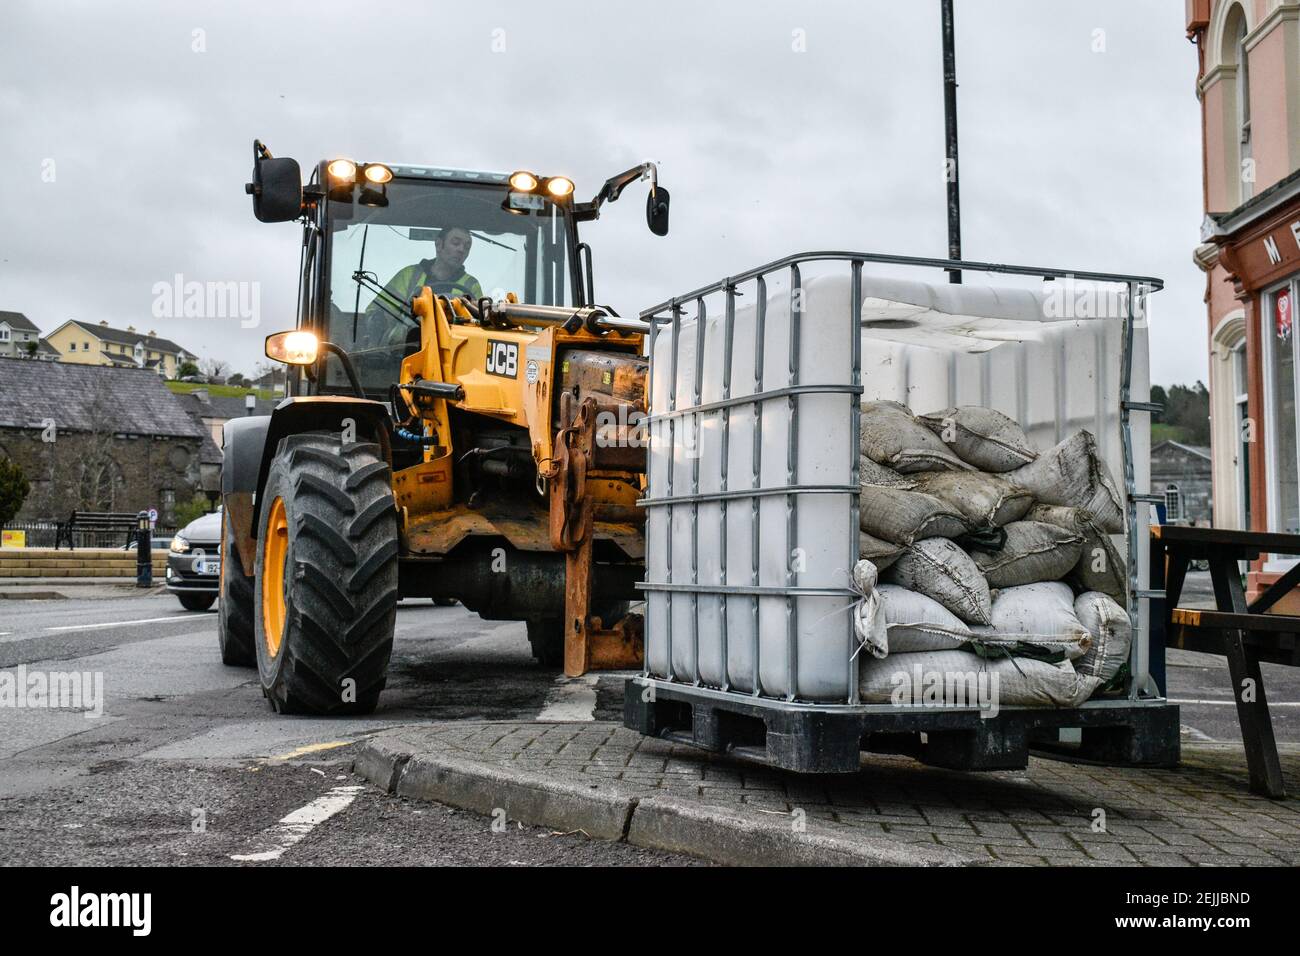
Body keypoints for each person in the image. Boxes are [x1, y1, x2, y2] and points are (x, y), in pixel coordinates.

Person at [361, 226, 484, 345]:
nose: (461, 250)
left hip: (451, 356)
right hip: (400, 351)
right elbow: (379, 311)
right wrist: (377, 323)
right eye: (456, 243)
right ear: (438, 244)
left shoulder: (471, 285)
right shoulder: (410, 275)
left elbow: (478, 326)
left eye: (467, 247)